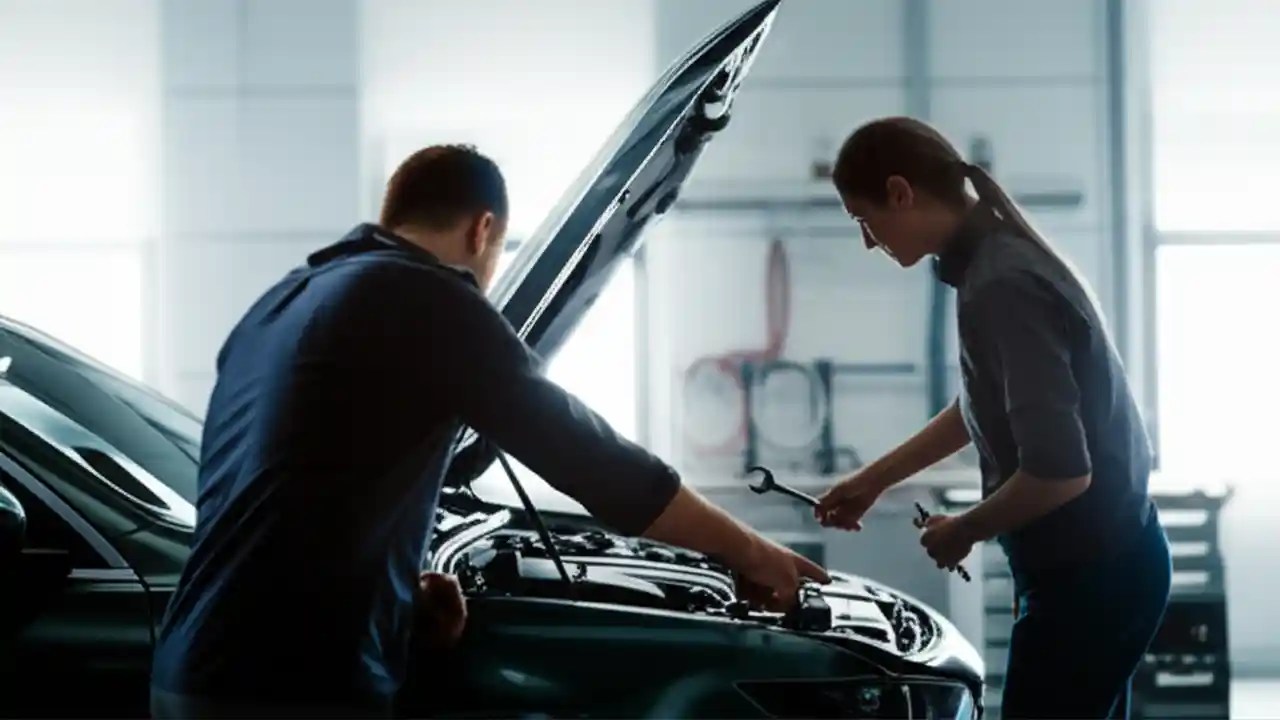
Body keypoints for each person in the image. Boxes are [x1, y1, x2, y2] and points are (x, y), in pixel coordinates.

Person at [149, 144, 829, 719]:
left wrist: (400, 594)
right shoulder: (424, 298)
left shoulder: (282, 303)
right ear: (482, 232)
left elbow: (287, 491)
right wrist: (752, 552)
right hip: (291, 686)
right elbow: (594, 462)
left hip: (192, 667)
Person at [813, 117, 1171, 719]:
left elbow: (1060, 473)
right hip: (1107, 565)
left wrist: (965, 530)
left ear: (900, 193)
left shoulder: (1001, 284)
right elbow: (980, 404)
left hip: (1094, 578)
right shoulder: (995, 264)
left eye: (863, 220)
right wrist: (872, 480)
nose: (868, 242)